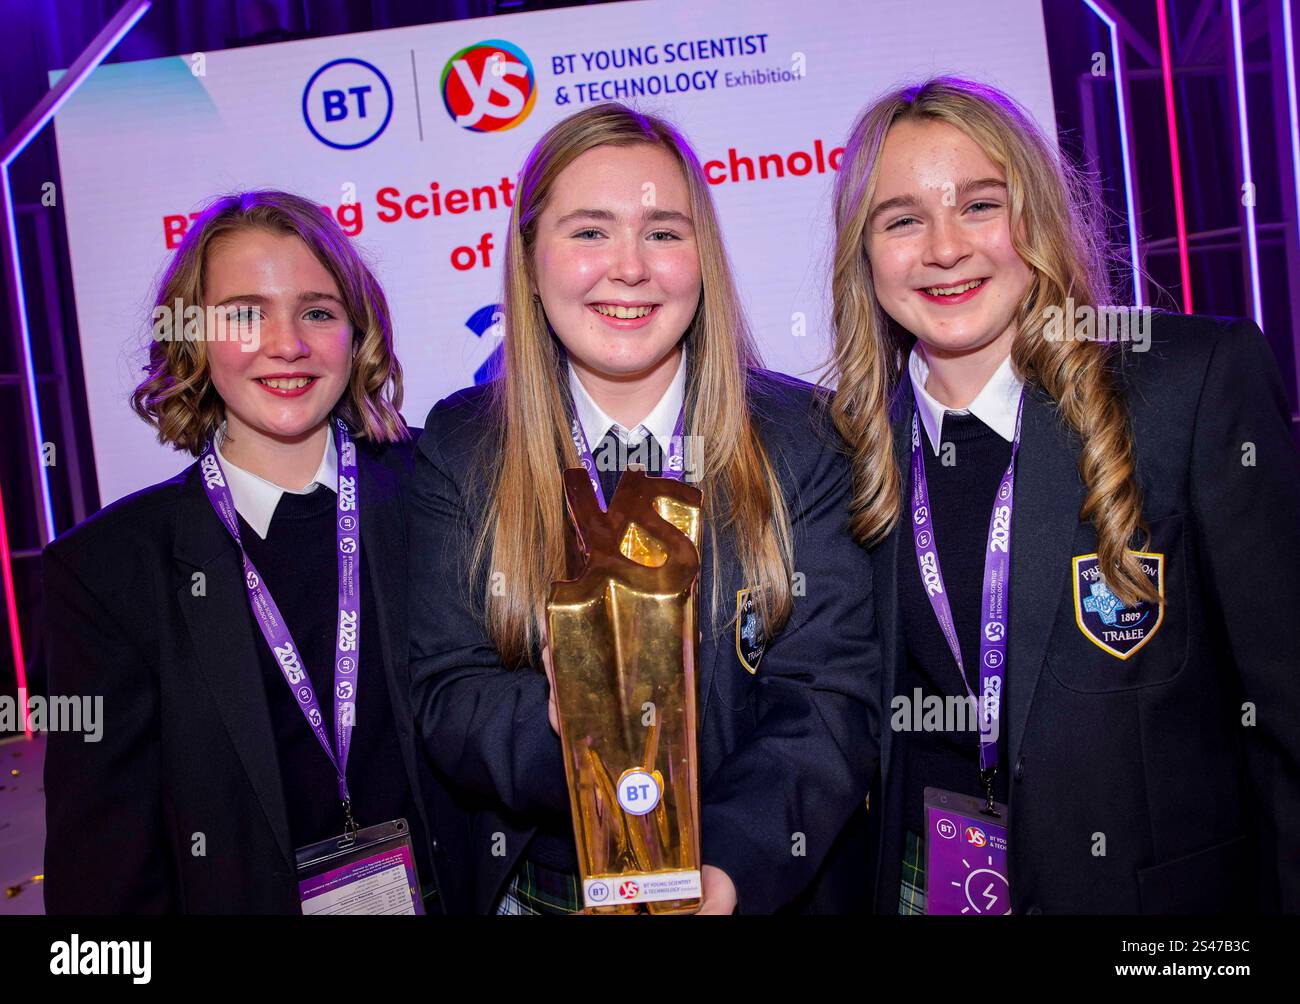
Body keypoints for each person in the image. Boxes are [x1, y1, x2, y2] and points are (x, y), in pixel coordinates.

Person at [829, 76, 1300, 914]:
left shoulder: (1190, 385)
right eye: (902, 219)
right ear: (864, 254)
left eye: (980, 204)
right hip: (930, 890)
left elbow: (1286, 709)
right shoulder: (845, 449)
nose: (944, 249)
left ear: (1037, 216)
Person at [407, 103, 879, 914]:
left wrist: (723, 872)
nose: (629, 267)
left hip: (752, 886)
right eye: (589, 231)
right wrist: (573, 722)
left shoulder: (804, 438)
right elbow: (448, 694)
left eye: (663, 231)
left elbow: (831, 701)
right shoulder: (460, 445)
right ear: (527, 261)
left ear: (704, 259)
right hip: (552, 883)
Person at [42, 190, 469, 914]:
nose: (287, 345)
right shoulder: (109, 572)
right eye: (244, 314)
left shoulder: (444, 492)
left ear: (356, 332)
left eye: (317, 311)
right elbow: (103, 879)